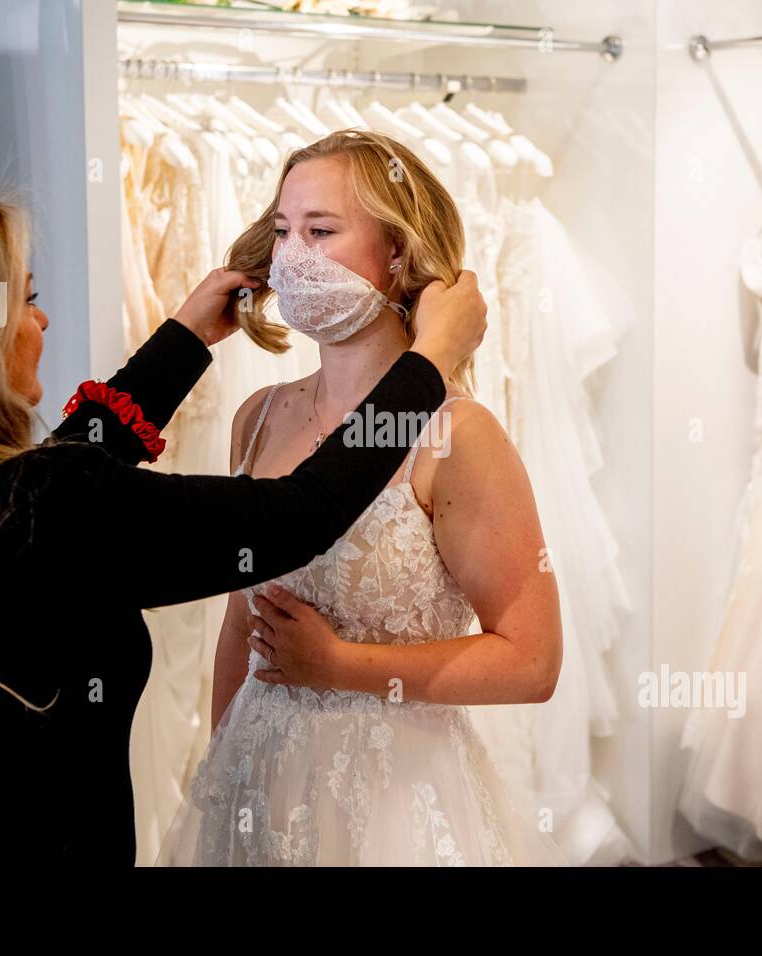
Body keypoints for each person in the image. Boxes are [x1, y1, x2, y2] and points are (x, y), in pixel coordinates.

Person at [0, 170, 486, 865]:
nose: (40, 322)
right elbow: (294, 518)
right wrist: (430, 361)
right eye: (25, 301)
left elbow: (65, 474)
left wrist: (186, 337)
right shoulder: (42, 504)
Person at [157, 130, 567, 866]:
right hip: (260, 779)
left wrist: (339, 665)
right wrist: (223, 768)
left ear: (399, 255)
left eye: (321, 231)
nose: (292, 257)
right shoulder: (259, 416)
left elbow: (532, 663)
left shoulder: (455, 437)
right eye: (282, 232)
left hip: (397, 802)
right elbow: (240, 621)